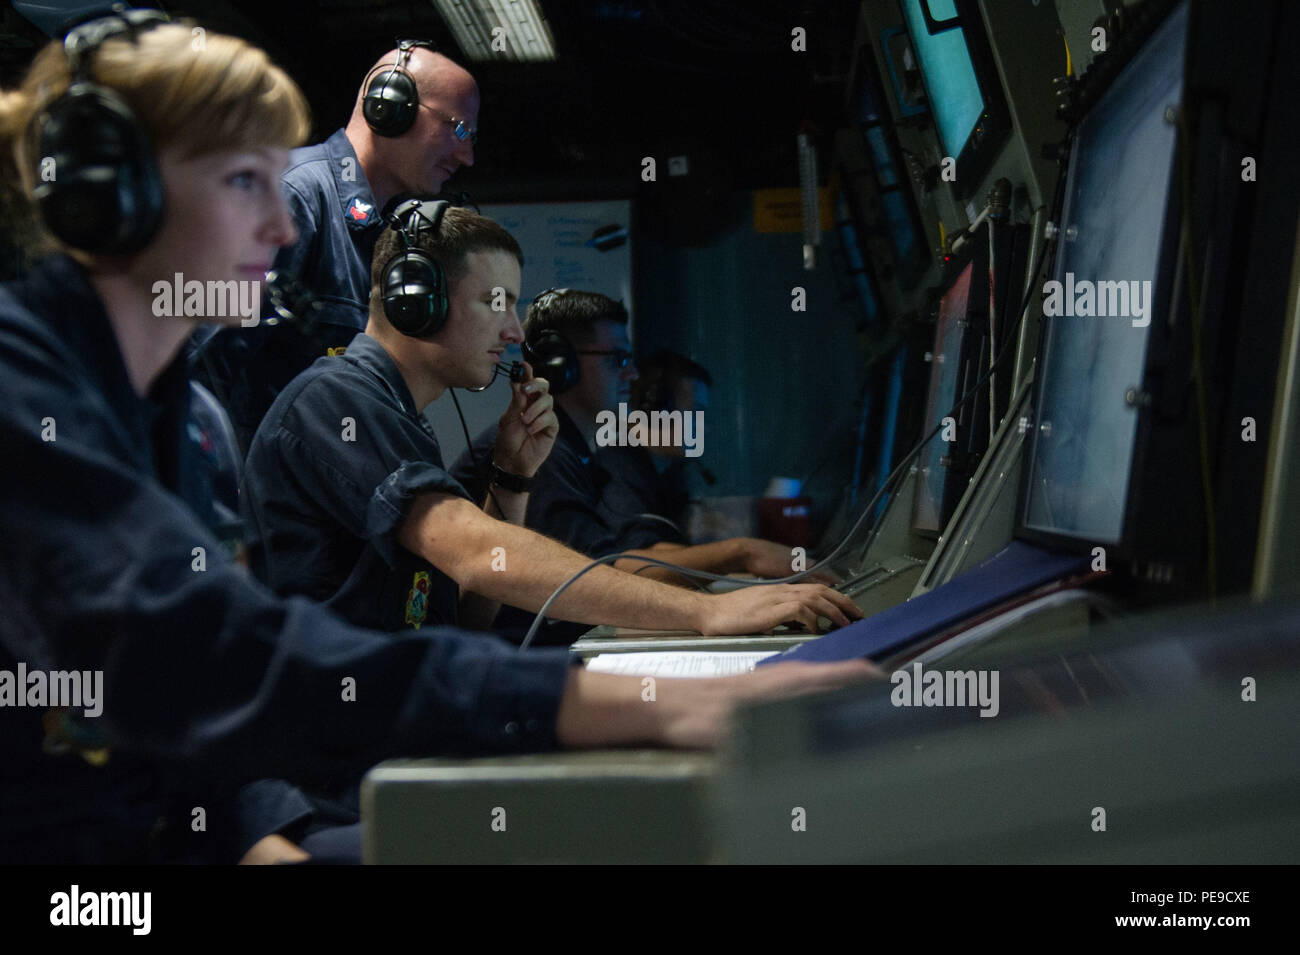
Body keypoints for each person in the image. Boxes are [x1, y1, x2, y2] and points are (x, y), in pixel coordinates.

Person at [0, 12, 874, 864]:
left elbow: (203, 686)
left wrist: (253, 831)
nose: (277, 225)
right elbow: (226, 651)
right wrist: (630, 699)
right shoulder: (26, 393)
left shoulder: (187, 425)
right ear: (114, 197)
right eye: (243, 182)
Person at [240, 203, 861, 648]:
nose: (515, 331)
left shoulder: (403, 419)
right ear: (416, 301)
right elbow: (483, 559)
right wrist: (705, 613)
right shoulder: (336, 401)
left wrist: (512, 477)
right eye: (497, 303)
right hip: (344, 767)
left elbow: (473, 614)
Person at [191, 39, 480, 453]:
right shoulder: (293, 198)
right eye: (458, 129)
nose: (467, 155)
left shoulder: (394, 233)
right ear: (390, 107)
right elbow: (205, 369)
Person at [453, 291, 817, 588]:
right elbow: (603, 577)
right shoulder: (539, 453)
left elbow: (610, 565)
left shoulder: (574, 452)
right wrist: (742, 556)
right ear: (561, 363)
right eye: (617, 358)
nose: (632, 373)